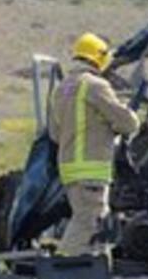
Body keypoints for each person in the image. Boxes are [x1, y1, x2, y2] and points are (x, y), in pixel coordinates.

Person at [49, 33, 139, 255]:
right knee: (88, 222)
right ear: (99, 57)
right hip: (91, 168)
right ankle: (60, 271)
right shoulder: (96, 86)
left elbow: (54, 133)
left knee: (96, 227)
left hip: (70, 168)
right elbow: (128, 124)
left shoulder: (63, 88)